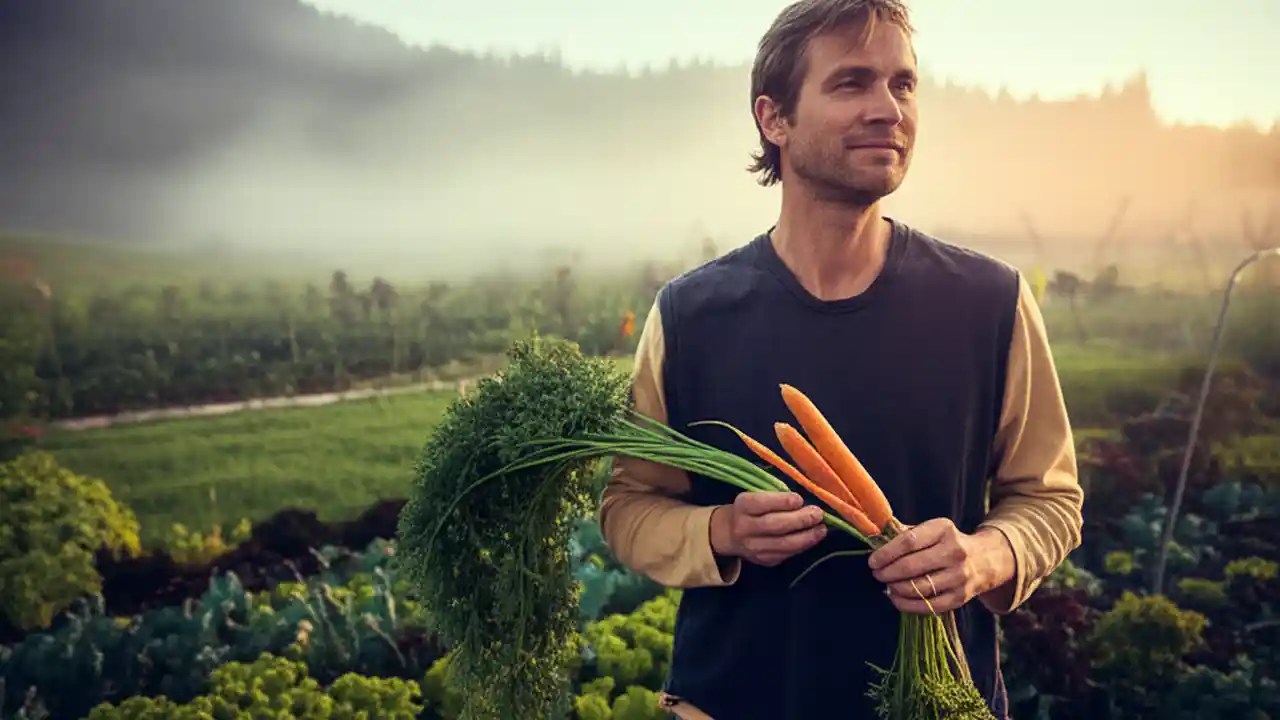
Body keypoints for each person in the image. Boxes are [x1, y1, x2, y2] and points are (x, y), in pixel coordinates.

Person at [597, 0, 1085, 718]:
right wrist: (721, 530)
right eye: (852, 82)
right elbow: (629, 507)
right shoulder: (690, 316)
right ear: (774, 119)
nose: (888, 108)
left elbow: (1051, 499)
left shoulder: (990, 301)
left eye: (903, 84)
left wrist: (984, 556)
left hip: (934, 704)